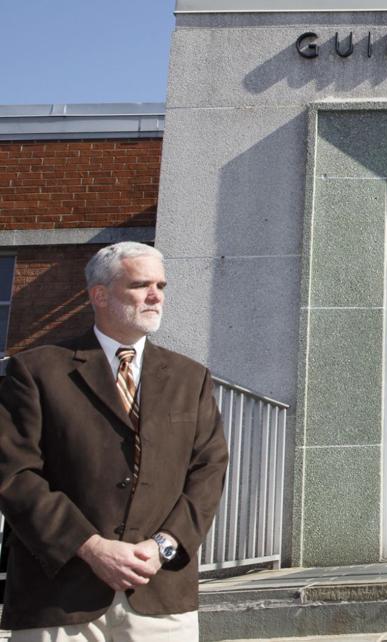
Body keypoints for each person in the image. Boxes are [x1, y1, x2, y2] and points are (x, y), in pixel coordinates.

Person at [0, 242, 229, 640]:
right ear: (99, 295)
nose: (156, 296)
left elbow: (208, 471)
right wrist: (90, 547)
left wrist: (164, 545)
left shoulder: (190, 378)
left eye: (161, 285)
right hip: (60, 596)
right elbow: (14, 474)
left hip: (159, 592)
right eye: (140, 284)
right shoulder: (36, 371)